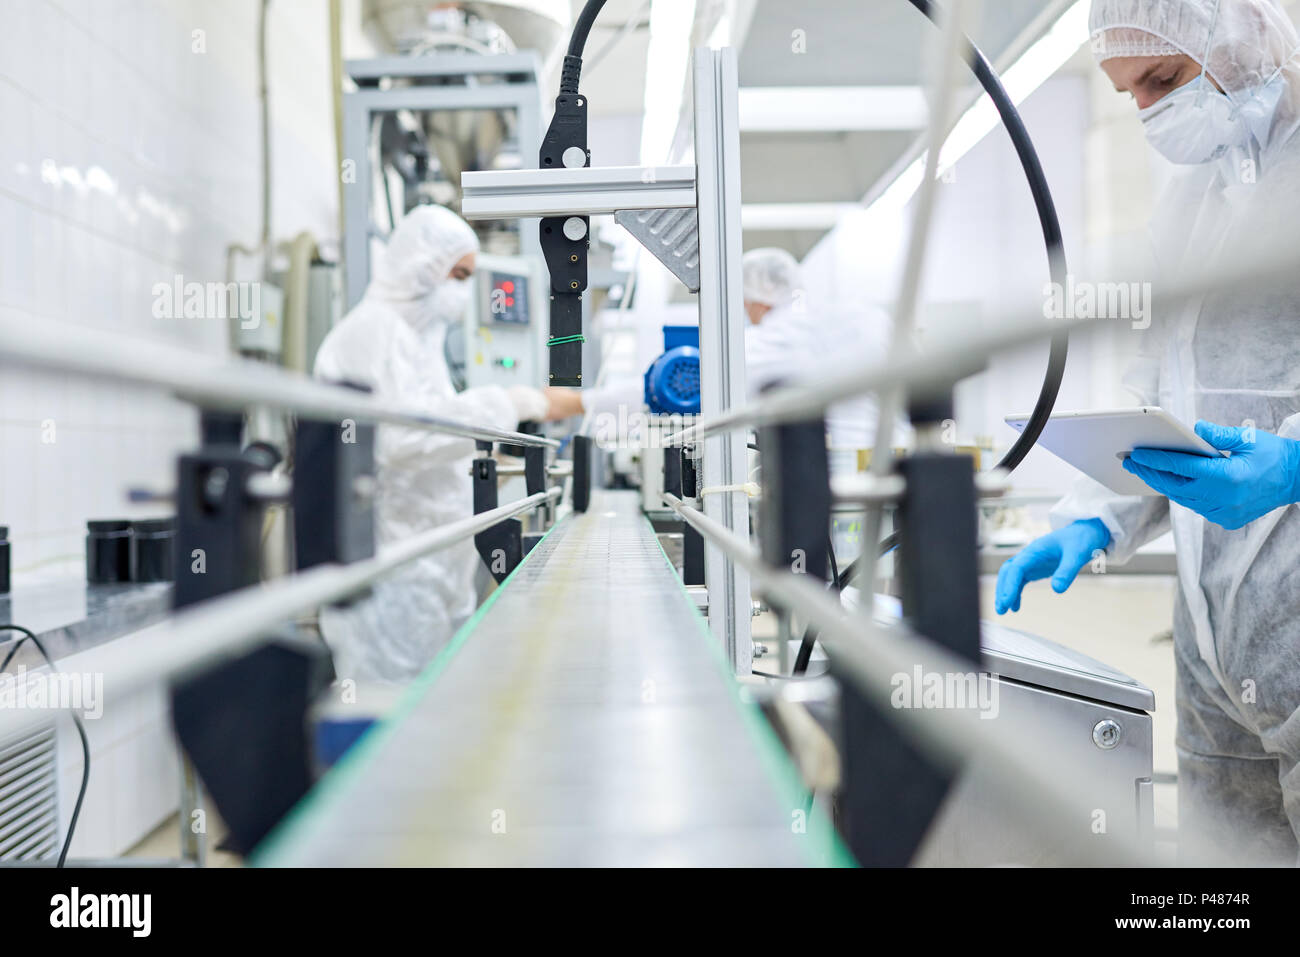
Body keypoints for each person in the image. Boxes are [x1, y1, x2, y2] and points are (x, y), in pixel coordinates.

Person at [996, 0, 1300, 864]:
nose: (1148, 114)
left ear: (1244, 34)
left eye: (1162, 80)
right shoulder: (1193, 202)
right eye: (1127, 94)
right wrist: (1099, 514)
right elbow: (1161, 385)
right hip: (1217, 645)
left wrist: (1298, 465)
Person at [314, 204, 569, 683]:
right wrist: (507, 403)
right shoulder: (372, 333)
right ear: (421, 266)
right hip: (391, 576)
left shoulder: (419, 342)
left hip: (433, 568)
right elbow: (403, 437)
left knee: (434, 720)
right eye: (458, 274)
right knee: (392, 726)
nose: (463, 291)